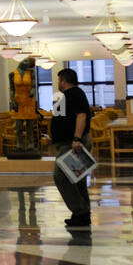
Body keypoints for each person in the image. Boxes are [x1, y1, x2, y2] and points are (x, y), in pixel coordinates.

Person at [50, 68, 93, 228]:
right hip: (66, 142)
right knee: (77, 179)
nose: (58, 83)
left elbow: (81, 115)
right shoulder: (65, 96)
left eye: (59, 80)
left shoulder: (75, 93)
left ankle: (80, 211)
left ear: (63, 80)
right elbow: (61, 118)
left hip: (71, 143)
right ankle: (82, 214)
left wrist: (76, 138)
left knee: (60, 176)